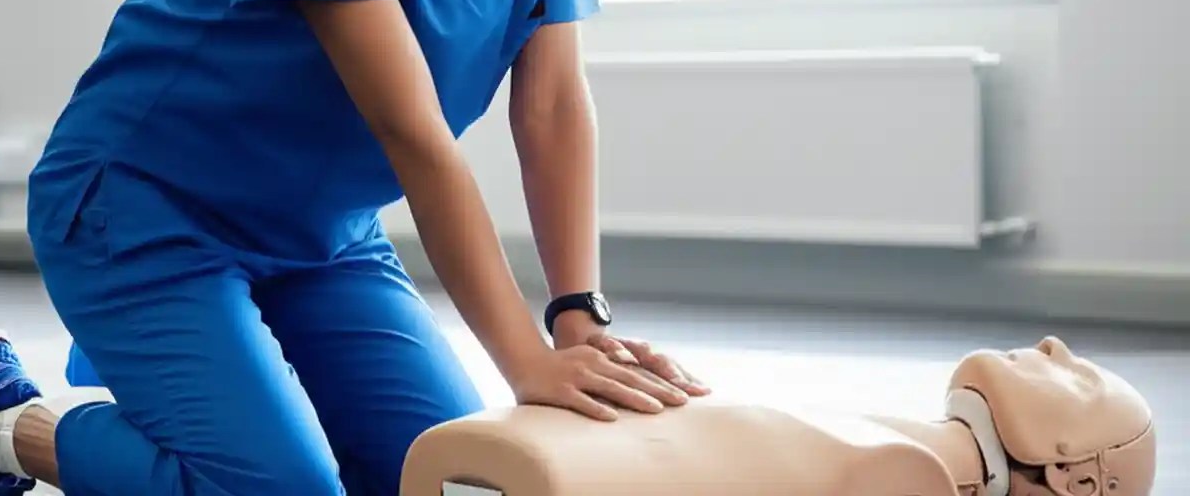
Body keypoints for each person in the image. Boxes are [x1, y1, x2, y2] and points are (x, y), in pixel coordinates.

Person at [0, 0, 711, 494]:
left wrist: (579, 318)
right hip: (145, 211)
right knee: (286, 492)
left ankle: (218, 403)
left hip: (322, 237)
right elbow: (413, 132)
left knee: (441, 475)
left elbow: (552, 105)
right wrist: (526, 363)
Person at [401, 336, 1159, 496]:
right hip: (541, 451)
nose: (1054, 345)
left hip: (553, 469)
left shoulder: (911, 473)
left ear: (1073, 476)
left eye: (1080, 378)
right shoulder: (903, 447)